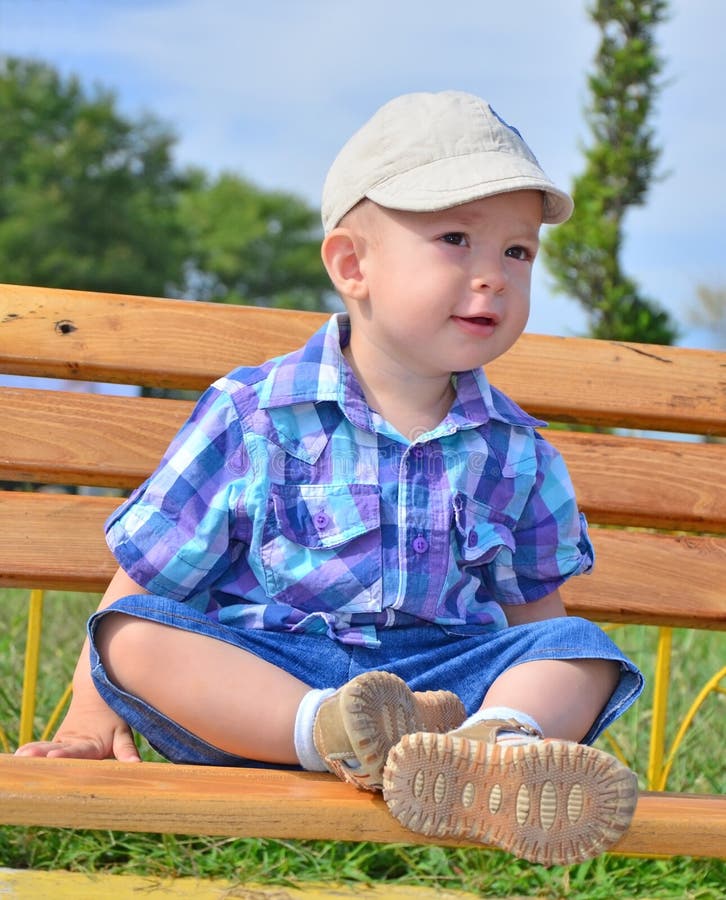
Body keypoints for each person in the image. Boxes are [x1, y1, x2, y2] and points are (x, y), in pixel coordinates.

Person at [16, 90, 643, 866]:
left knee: (581, 650)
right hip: (279, 684)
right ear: (353, 264)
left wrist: (531, 690)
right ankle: (339, 737)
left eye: (518, 253)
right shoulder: (257, 415)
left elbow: (535, 617)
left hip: (444, 684)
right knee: (134, 634)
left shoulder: (517, 450)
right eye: (456, 240)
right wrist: (87, 715)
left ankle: (494, 754)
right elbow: (147, 574)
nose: (495, 279)